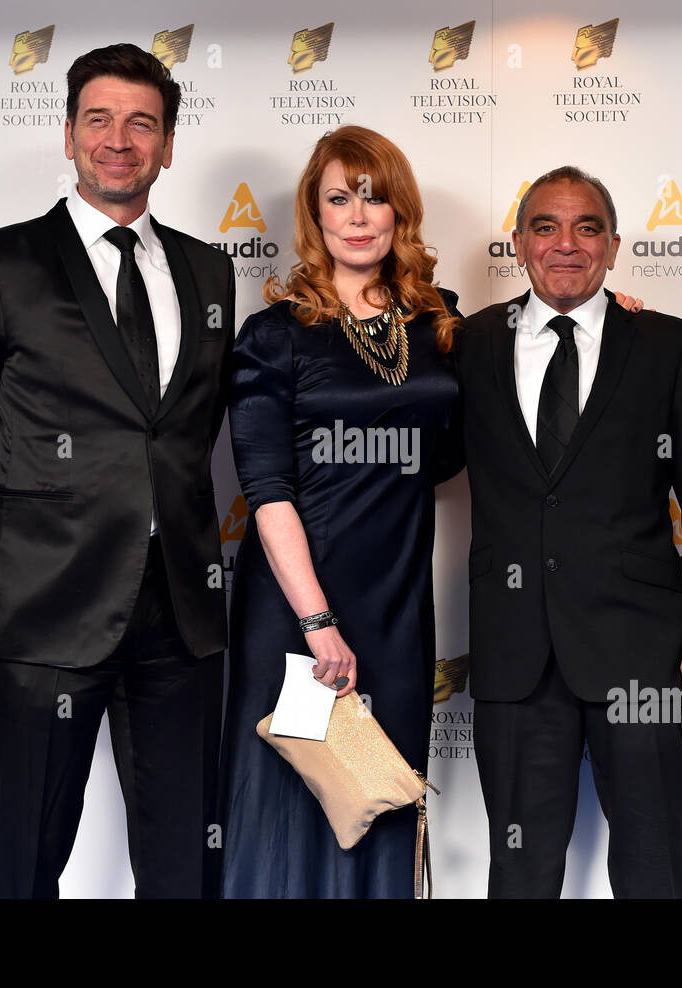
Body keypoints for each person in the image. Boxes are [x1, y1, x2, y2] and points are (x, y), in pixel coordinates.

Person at [0, 43, 235, 898]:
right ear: (67, 135)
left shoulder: (211, 269)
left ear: (169, 145)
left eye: (142, 123)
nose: (119, 140)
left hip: (180, 614)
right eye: (99, 119)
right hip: (40, 608)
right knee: (25, 856)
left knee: (184, 865)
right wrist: (5, 545)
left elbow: (187, 427)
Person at [454, 166, 682, 898]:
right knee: (519, 873)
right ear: (518, 244)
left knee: (652, 867)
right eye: (545, 227)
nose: (566, 245)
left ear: (613, 246)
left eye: (588, 228)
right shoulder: (467, 344)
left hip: (643, 653)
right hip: (516, 655)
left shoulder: (667, 345)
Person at [218, 126, 462, 898]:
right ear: (313, 216)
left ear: (401, 211)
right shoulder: (275, 335)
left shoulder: (442, 326)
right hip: (297, 602)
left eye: (374, 195)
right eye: (338, 199)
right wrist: (317, 621)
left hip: (396, 600)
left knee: (379, 793)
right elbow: (266, 488)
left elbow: (462, 438)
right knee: (295, 797)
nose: (358, 216)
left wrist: (615, 308)